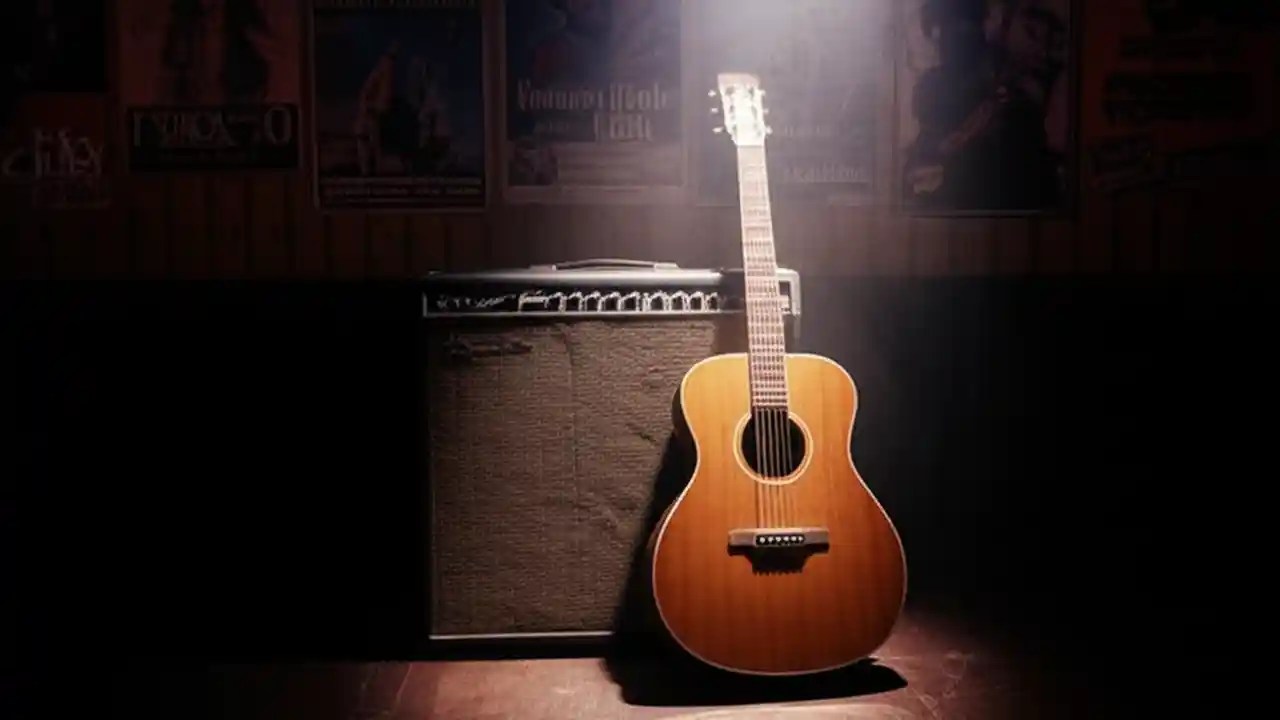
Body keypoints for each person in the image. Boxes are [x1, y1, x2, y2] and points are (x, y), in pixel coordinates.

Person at [355, 40, 398, 176]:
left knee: (375, 153)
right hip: (369, 118)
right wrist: (370, 107)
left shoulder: (387, 71)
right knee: (368, 154)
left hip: (375, 118)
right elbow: (366, 93)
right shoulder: (380, 70)